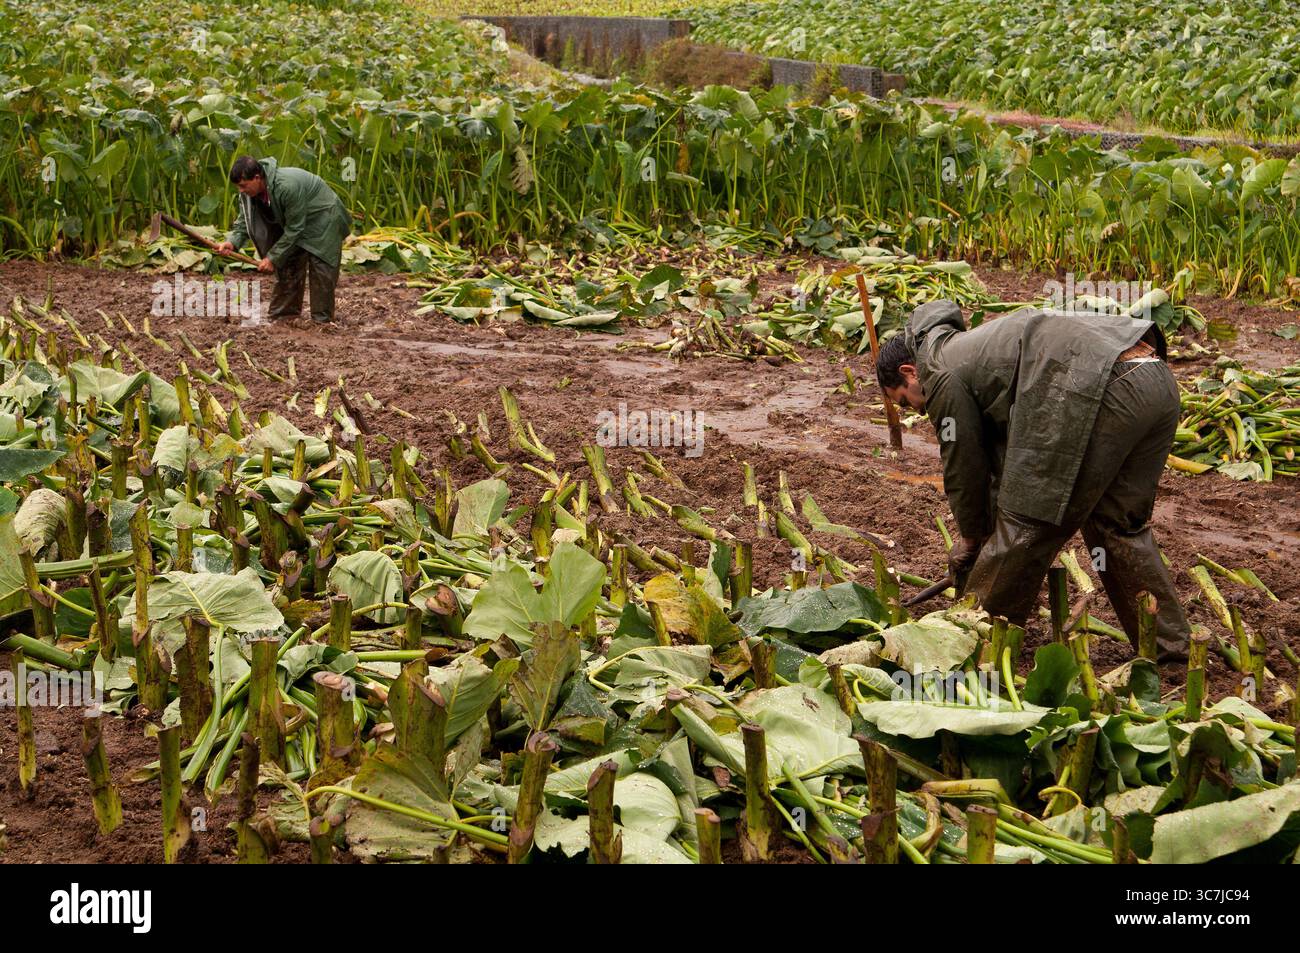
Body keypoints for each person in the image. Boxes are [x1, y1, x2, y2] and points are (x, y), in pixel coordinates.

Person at [876, 299, 1190, 663]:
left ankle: (968, 642)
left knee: (1029, 520)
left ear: (909, 372)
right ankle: (1168, 647)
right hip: (1153, 379)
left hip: (1100, 387)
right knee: (1117, 526)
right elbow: (1006, 463)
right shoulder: (970, 353)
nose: (918, 410)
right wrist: (982, 531)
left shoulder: (938, 370)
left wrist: (971, 537)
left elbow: (965, 463)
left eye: (905, 401)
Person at [215, 156, 351, 323]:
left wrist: (272, 257)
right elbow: (245, 221)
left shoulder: (286, 186)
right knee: (288, 264)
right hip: (296, 221)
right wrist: (232, 242)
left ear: (257, 178)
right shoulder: (247, 193)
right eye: (238, 187)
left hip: (324, 217)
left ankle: (321, 322)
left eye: (243, 185)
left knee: (321, 270)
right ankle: (284, 316)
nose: (241, 190)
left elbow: (295, 229)